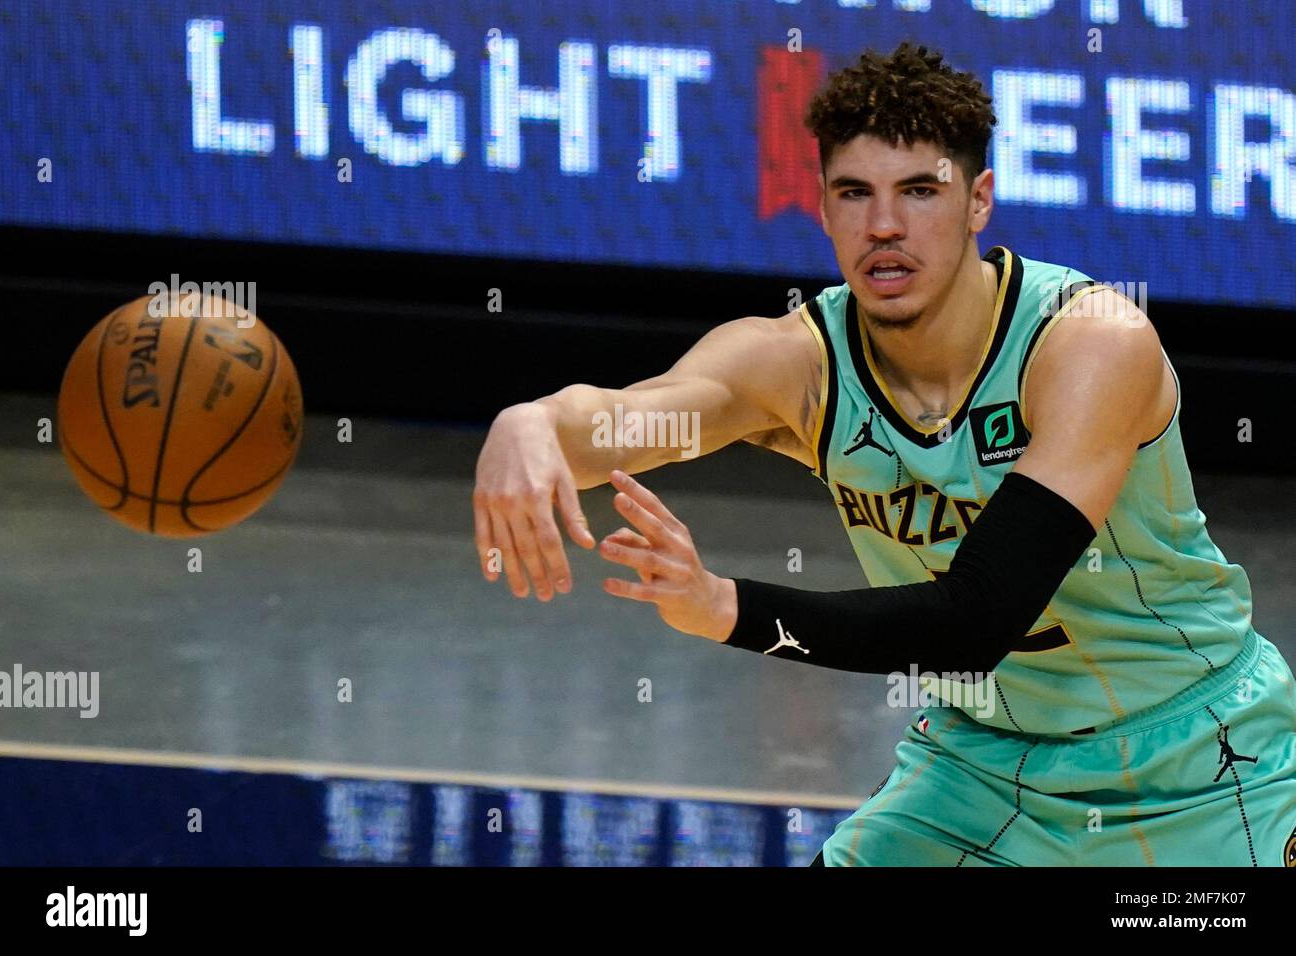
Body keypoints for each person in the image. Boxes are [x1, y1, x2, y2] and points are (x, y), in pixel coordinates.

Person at [473, 41, 1296, 866]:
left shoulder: (1088, 345)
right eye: (854, 193)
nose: (885, 226)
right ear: (823, 209)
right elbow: (635, 422)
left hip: (1204, 762)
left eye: (920, 192)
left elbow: (974, 622)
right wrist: (532, 424)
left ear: (979, 201)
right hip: (985, 761)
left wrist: (726, 606)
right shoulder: (796, 367)